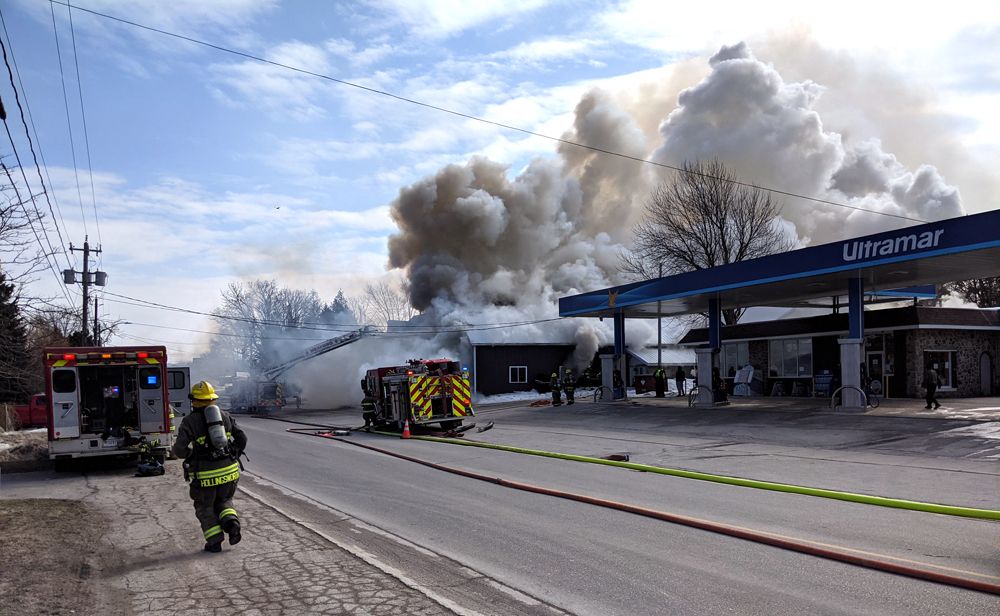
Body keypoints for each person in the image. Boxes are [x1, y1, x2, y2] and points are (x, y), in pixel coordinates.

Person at [172, 381, 248, 553]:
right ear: (212, 398)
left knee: (205, 508)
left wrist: (191, 454)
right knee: (224, 501)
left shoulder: (189, 421)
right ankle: (231, 523)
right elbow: (242, 438)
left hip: (205, 476)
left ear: (195, 400)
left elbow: (179, 450)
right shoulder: (225, 416)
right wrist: (234, 452)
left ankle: (214, 542)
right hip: (229, 473)